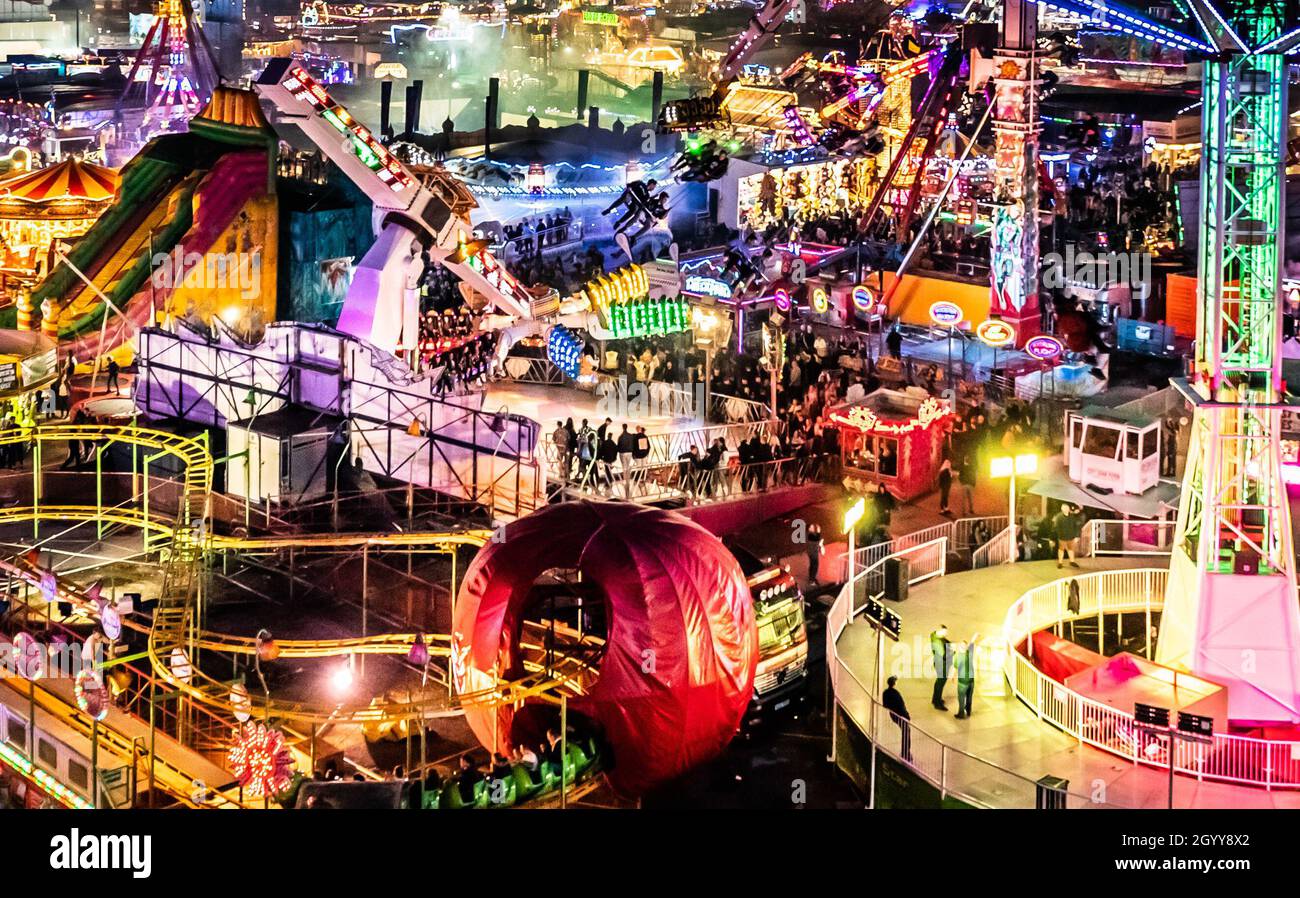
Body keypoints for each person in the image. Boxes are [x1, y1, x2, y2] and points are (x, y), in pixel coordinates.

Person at [882, 675, 911, 762]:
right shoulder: (896, 694)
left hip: (893, 715)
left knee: (905, 731)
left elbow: (885, 705)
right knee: (906, 732)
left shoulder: (885, 693)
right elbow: (901, 706)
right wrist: (907, 716)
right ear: (894, 683)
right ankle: (905, 753)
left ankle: (905, 752)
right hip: (900, 716)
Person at [953, 635, 979, 719]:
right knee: (969, 697)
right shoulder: (969, 653)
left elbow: (956, 669)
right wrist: (975, 637)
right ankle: (968, 711)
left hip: (963, 682)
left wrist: (954, 677)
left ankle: (961, 714)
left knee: (961, 698)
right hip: (971, 681)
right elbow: (972, 643)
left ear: (959, 647)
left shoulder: (958, 656)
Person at [930, 625, 952, 710]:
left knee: (939, 682)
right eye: (945, 632)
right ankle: (937, 703)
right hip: (941, 664)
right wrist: (952, 652)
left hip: (940, 663)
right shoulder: (937, 640)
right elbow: (943, 654)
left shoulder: (935, 636)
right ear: (940, 631)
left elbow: (946, 642)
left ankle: (935, 699)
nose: (946, 634)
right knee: (941, 683)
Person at [1054, 503, 1083, 569]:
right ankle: (1060, 563)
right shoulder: (1059, 517)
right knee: (1061, 549)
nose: (1066, 509)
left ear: (1068, 508)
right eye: (1064, 508)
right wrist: (1058, 536)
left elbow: (1077, 526)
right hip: (1062, 537)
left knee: (1071, 549)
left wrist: (1077, 536)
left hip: (1071, 537)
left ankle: (1072, 561)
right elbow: (1056, 527)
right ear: (1062, 509)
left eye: (1067, 508)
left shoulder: (1072, 516)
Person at [616, 423, 636, 500]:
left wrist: (618, 451)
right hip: (629, 452)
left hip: (623, 453)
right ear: (627, 427)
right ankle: (628, 479)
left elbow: (618, 446)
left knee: (624, 467)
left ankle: (625, 480)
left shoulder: (620, 437)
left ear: (622, 427)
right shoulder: (631, 436)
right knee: (628, 466)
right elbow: (633, 444)